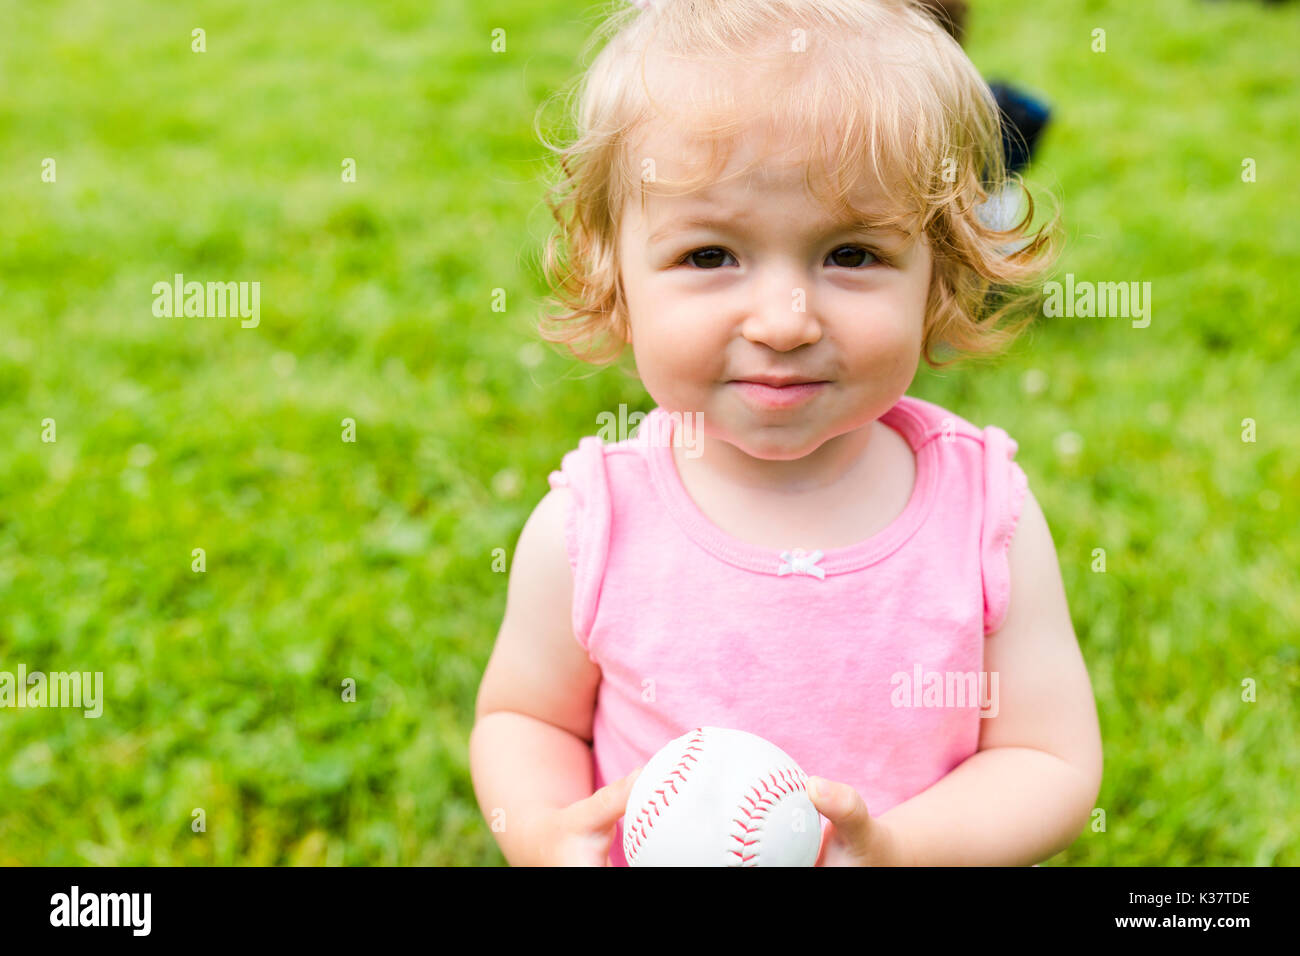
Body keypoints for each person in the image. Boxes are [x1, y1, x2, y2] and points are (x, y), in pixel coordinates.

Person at [470, 0, 1100, 866]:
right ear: (613, 278)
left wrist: (898, 850)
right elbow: (524, 718)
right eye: (709, 256)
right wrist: (541, 834)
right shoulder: (594, 524)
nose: (783, 320)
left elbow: (1047, 759)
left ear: (943, 276)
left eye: (851, 255)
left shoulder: (984, 515)